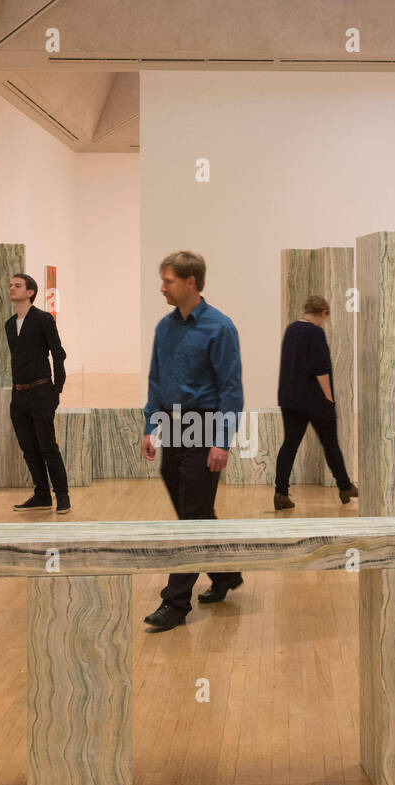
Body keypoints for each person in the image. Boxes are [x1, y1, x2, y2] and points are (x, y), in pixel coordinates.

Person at [140, 251, 244, 632]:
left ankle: (176, 603)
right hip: (173, 425)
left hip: (205, 425)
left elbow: (231, 391)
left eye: (168, 280)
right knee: (194, 510)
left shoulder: (220, 328)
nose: (162, 287)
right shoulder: (164, 329)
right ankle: (226, 572)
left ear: (190, 282)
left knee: (190, 518)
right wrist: (151, 425)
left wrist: (221, 441)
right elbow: (156, 380)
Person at [273, 295, 358, 510]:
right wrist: (329, 397)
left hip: (290, 399)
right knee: (330, 445)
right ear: (323, 313)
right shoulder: (315, 332)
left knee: (289, 445)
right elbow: (320, 368)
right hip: (314, 401)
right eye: (325, 317)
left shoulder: (291, 330)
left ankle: (281, 493)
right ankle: (345, 486)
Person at [5, 272, 70, 514]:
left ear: (30, 292)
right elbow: (17, 360)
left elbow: (58, 354)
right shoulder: (10, 324)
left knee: (47, 446)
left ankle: (62, 495)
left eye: (17, 285)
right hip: (19, 396)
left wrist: (56, 391)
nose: (12, 288)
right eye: (11, 285)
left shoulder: (43, 319)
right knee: (28, 448)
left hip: (41, 392)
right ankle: (42, 494)